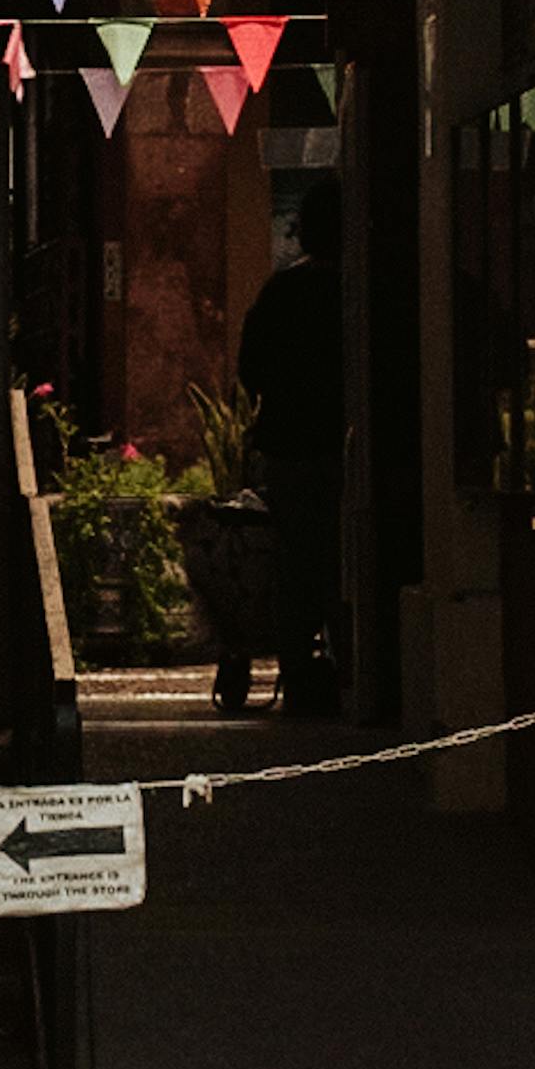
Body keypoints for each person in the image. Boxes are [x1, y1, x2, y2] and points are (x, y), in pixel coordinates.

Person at [234, 176, 347, 718]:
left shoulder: (280, 293)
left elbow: (250, 369)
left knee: (296, 563)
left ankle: (299, 672)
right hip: (342, 446)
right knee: (344, 561)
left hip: (289, 446)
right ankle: (350, 669)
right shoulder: (358, 292)